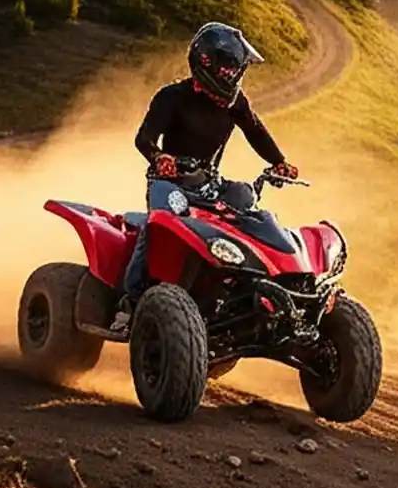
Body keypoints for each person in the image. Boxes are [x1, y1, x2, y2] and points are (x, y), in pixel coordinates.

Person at [111, 21, 300, 332]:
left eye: (235, 70)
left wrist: (279, 161)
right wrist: (159, 158)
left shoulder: (235, 102)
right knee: (158, 227)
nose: (232, 75)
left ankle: (239, 296)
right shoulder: (171, 97)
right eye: (227, 69)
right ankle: (130, 302)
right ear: (205, 61)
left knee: (246, 203)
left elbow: (255, 131)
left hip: (207, 181)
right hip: (168, 182)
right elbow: (143, 139)